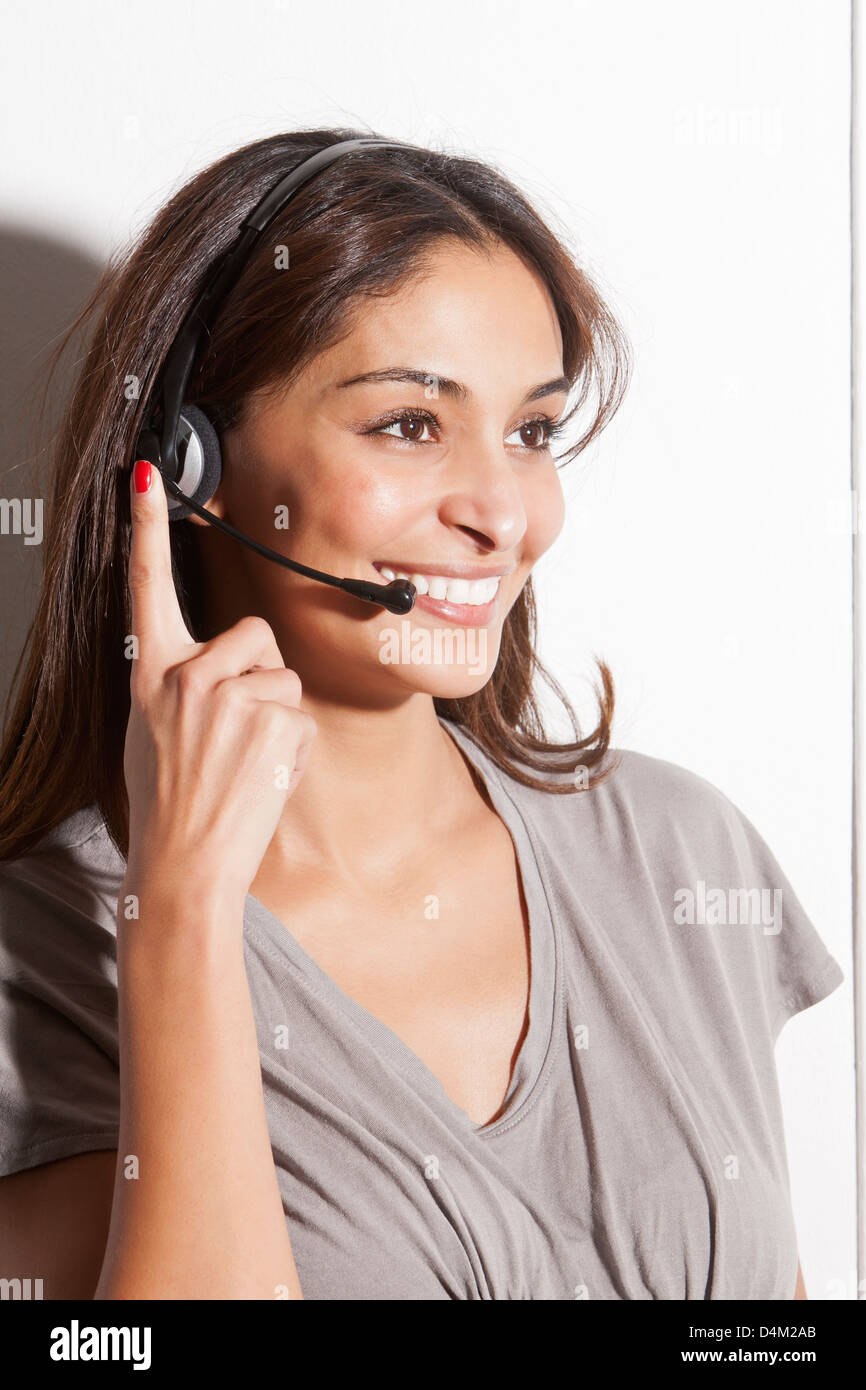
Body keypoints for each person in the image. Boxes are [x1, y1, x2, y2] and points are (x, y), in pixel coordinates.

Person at [0, 129, 843, 1300]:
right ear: (190, 464)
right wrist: (182, 913)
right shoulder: (35, 953)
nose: (504, 514)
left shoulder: (673, 852)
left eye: (531, 431)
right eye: (408, 423)